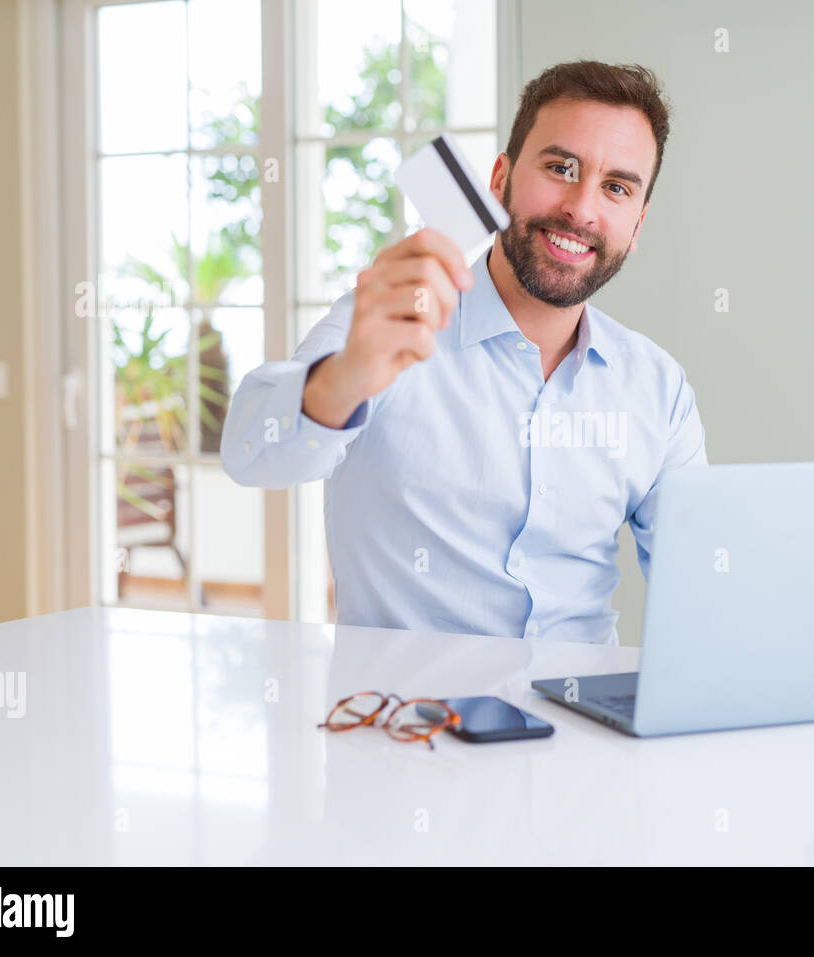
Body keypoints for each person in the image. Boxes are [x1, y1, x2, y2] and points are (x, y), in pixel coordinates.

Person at [221, 59, 706, 644]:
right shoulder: (387, 324)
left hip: (587, 725)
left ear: (637, 223)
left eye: (616, 187)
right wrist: (345, 378)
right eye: (560, 167)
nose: (582, 208)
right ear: (499, 179)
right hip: (406, 726)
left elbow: (701, 581)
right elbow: (251, 454)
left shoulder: (658, 388)